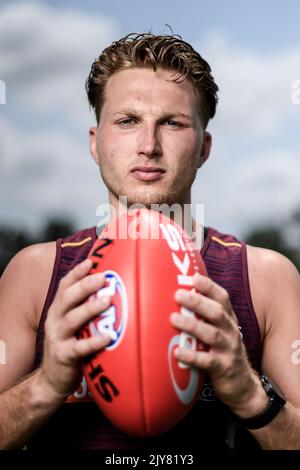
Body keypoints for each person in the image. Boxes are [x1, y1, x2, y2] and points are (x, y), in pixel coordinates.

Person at [0, 32, 300, 451]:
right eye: (127, 121)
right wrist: (46, 384)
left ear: (204, 148)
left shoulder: (265, 277)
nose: (148, 146)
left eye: (172, 123)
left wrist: (249, 393)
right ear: (94, 141)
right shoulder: (35, 273)